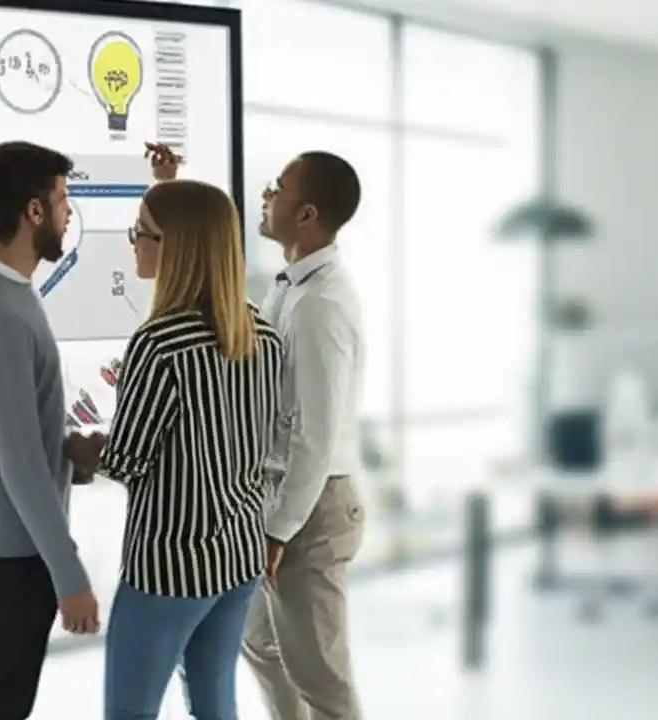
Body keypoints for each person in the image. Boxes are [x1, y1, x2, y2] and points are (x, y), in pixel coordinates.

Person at [94, 145, 284, 720]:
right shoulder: (261, 334)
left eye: (141, 233)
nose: (135, 243)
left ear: (171, 247)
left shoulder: (160, 344)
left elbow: (125, 460)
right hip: (236, 557)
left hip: (169, 566)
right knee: (214, 703)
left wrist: (81, 443)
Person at [0, 141, 105, 720]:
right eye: (62, 200)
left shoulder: (5, 296)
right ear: (34, 211)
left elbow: (17, 435)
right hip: (20, 555)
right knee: (0, 704)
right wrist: (70, 575)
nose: (68, 214)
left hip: (11, 546)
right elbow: (16, 460)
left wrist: (67, 454)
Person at [241, 151, 367, 720]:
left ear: (307, 213)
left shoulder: (321, 304)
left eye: (278, 188)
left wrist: (278, 531)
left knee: (323, 682)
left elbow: (314, 436)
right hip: (287, 499)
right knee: (261, 642)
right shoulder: (290, 287)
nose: (267, 195)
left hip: (312, 510)